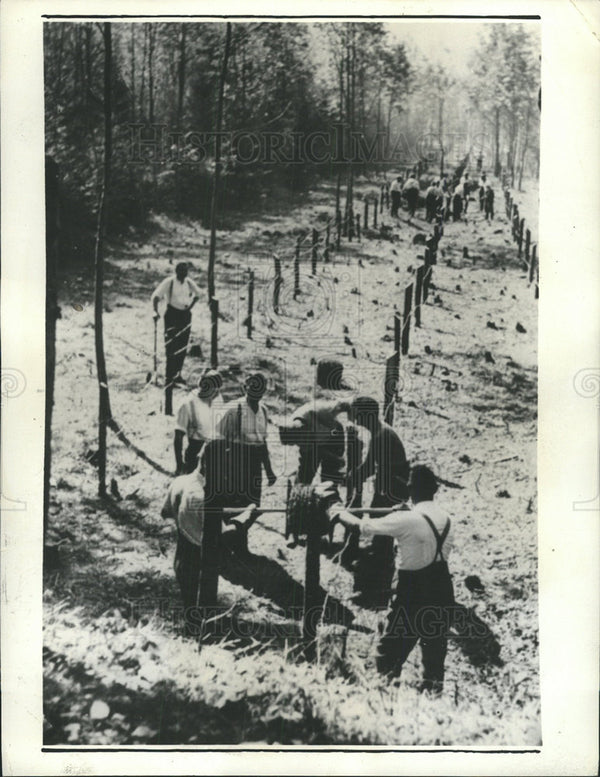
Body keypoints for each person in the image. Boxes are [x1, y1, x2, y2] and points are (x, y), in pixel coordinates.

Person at [327, 464, 455, 694]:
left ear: (411, 488)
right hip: (442, 592)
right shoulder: (446, 518)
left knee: (387, 658)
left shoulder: (405, 519)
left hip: (414, 595)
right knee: (434, 663)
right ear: (434, 490)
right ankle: (431, 714)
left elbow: (360, 526)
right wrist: (404, 512)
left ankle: (385, 708)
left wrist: (337, 512)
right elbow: (420, 531)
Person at [161, 445, 256, 635]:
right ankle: (202, 643)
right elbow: (225, 536)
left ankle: (196, 631)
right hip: (200, 561)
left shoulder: (180, 481)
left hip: (182, 553)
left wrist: (188, 522)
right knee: (203, 610)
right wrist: (245, 517)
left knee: (191, 606)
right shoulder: (202, 497)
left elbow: (165, 512)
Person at [347, 396, 410, 605]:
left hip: (390, 490)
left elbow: (368, 469)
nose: (354, 419)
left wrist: (350, 478)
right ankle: (378, 585)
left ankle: (376, 591)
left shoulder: (382, 436)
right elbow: (368, 468)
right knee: (380, 537)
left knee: (381, 537)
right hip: (388, 488)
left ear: (366, 415)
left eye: (356, 414)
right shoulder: (380, 433)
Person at [217, 371, 276, 510]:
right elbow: (220, 441)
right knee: (234, 504)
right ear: (245, 388)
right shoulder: (233, 409)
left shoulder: (263, 410)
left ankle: (244, 530)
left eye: (261, 388)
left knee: (253, 505)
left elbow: (262, 443)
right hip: (235, 461)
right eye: (252, 387)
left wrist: (269, 471)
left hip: (254, 463)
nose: (257, 391)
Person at [152, 262, 202, 414]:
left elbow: (199, 294)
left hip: (185, 316)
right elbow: (156, 296)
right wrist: (155, 312)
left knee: (183, 345)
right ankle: (170, 377)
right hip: (172, 315)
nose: (183, 274)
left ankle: (177, 374)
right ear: (176, 271)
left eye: (185, 271)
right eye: (181, 271)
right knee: (171, 347)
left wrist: (191, 306)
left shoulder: (188, 282)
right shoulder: (169, 282)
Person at [174, 369, 223, 475]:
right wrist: (179, 464)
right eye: (213, 390)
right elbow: (178, 437)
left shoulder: (217, 398)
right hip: (195, 452)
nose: (216, 394)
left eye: (218, 390)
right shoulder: (187, 404)